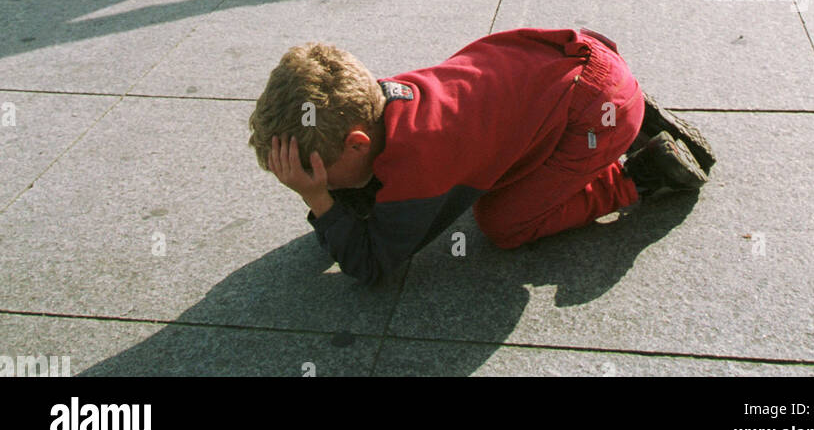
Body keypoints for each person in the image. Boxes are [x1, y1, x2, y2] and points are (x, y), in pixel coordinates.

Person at [249, 27, 715, 288]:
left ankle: (641, 170)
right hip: (576, 58)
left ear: (357, 144)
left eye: (316, 173)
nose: (313, 182)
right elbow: (371, 186)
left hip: (592, 113)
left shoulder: (420, 165)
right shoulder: (375, 99)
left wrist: (320, 202)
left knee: (502, 222)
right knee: (510, 156)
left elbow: (372, 264)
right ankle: (630, 108)